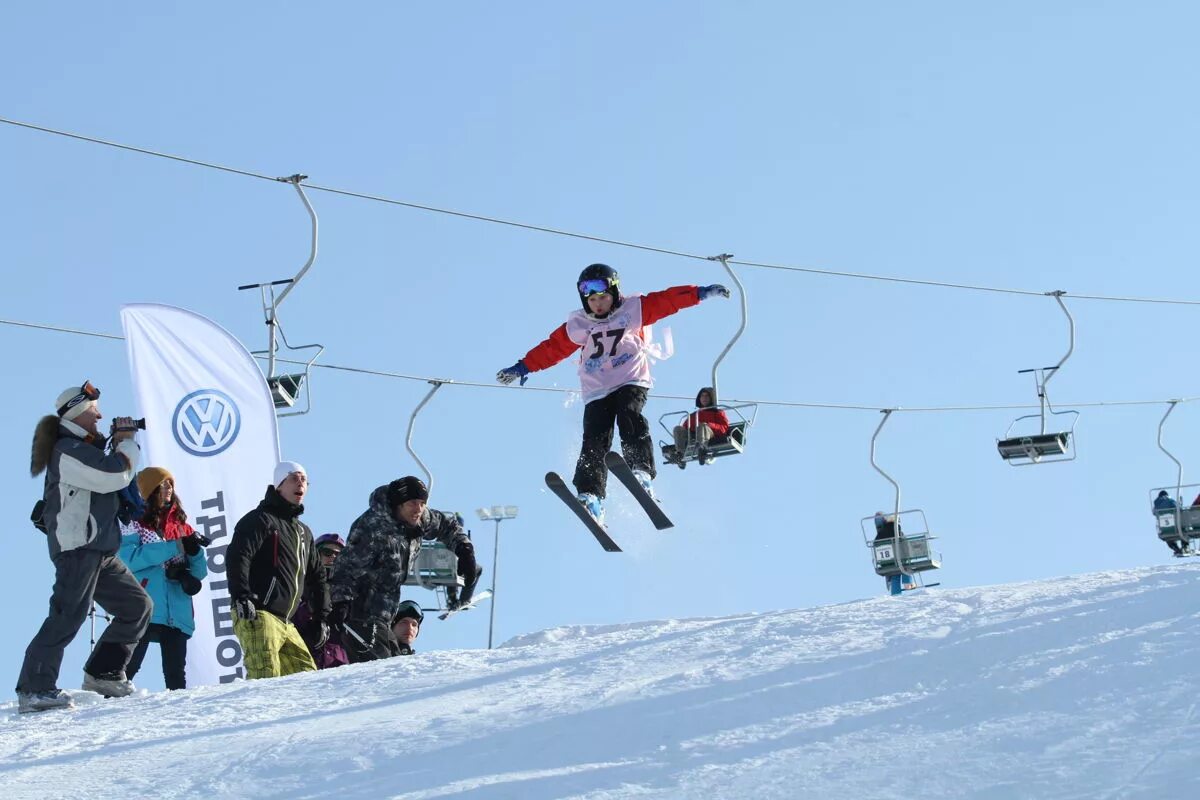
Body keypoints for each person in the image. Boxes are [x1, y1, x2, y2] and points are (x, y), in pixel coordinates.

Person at [496, 263, 730, 523]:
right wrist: (524, 366)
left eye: (604, 297)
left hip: (631, 378)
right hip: (597, 388)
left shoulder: (633, 309)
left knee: (630, 416)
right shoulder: (578, 324)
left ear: (615, 293)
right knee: (595, 439)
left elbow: (667, 301)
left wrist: (700, 293)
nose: (598, 304)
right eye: (592, 299)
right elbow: (553, 348)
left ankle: (641, 470)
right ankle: (591, 496)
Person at [17, 381, 151, 713]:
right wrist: (127, 444)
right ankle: (34, 688)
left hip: (100, 548)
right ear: (77, 415)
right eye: (94, 412)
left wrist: (118, 443)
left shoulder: (84, 448)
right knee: (68, 614)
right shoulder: (66, 450)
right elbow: (113, 474)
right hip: (79, 547)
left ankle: (103, 674)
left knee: (137, 606)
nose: (101, 417)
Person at [328, 476, 478, 663]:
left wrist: (465, 551)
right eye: (413, 503)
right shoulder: (372, 528)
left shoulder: (419, 517)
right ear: (399, 504)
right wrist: (341, 602)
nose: (419, 509)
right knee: (379, 668)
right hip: (361, 614)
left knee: (396, 663)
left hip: (386, 615)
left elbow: (448, 525)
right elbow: (346, 567)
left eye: (422, 503)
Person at [226, 461, 328, 679]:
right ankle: (251, 713)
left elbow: (317, 577)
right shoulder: (261, 519)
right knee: (265, 676)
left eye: (304, 479)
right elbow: (238, 556)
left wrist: (321, 617)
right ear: (279, 485)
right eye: (294, 478)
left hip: (286, 622)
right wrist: (242, 595)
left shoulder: (303, 532)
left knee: (308, 680)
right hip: (259, 612)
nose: (300, 483)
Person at [118, 467, 209, 690]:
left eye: (170, 484)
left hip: (178, 608)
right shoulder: (133, 523)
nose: (168, 488)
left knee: (176, 674)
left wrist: (194, 551)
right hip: (145, 604)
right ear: (149, 489)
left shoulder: (182, 526)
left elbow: (200, 573)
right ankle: (109, 706)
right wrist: (174, 547)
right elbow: (129, 560)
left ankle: (181, 717)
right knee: (128, 666)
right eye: (162, 484)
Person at [291, 533, 349, 669]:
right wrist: (312, 608)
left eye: (338, 555)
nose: (333, 557)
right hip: (305, 661)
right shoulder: (298, 586)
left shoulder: (348, 591)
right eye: (327, 553)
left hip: (340, 664)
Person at [664, 386, 730, 467]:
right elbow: (685, 428)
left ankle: (702, 448)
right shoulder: (694, 415)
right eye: (702, 396)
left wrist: (709, 425)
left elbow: (724, 428)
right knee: (677, 429)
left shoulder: (717, 412)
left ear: (712, 398)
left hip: (711, 435)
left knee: (702, 426)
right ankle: (680, 454)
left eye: (707, 396)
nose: (704, 398)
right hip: (694, 436)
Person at [874, 512, 914, 596]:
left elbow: (876, 544)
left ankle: (895, 593)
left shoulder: (881, 533)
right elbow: (904, 543)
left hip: (888, 562)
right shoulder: (897, 530)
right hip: (900, 559)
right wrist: (908, 555)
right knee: (906, 567)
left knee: (894, 574)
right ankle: (908, 583)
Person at [1154, 490, 1186, 557]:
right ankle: (1184, 547)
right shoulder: (1170, 500)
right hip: (1176, 525)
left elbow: (1154, 513)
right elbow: (1178, 508)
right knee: (1184, 532)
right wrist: (1180, 504)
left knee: (1168, 537)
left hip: (1165, 528)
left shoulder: (1156, 504)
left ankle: (1176, 548)